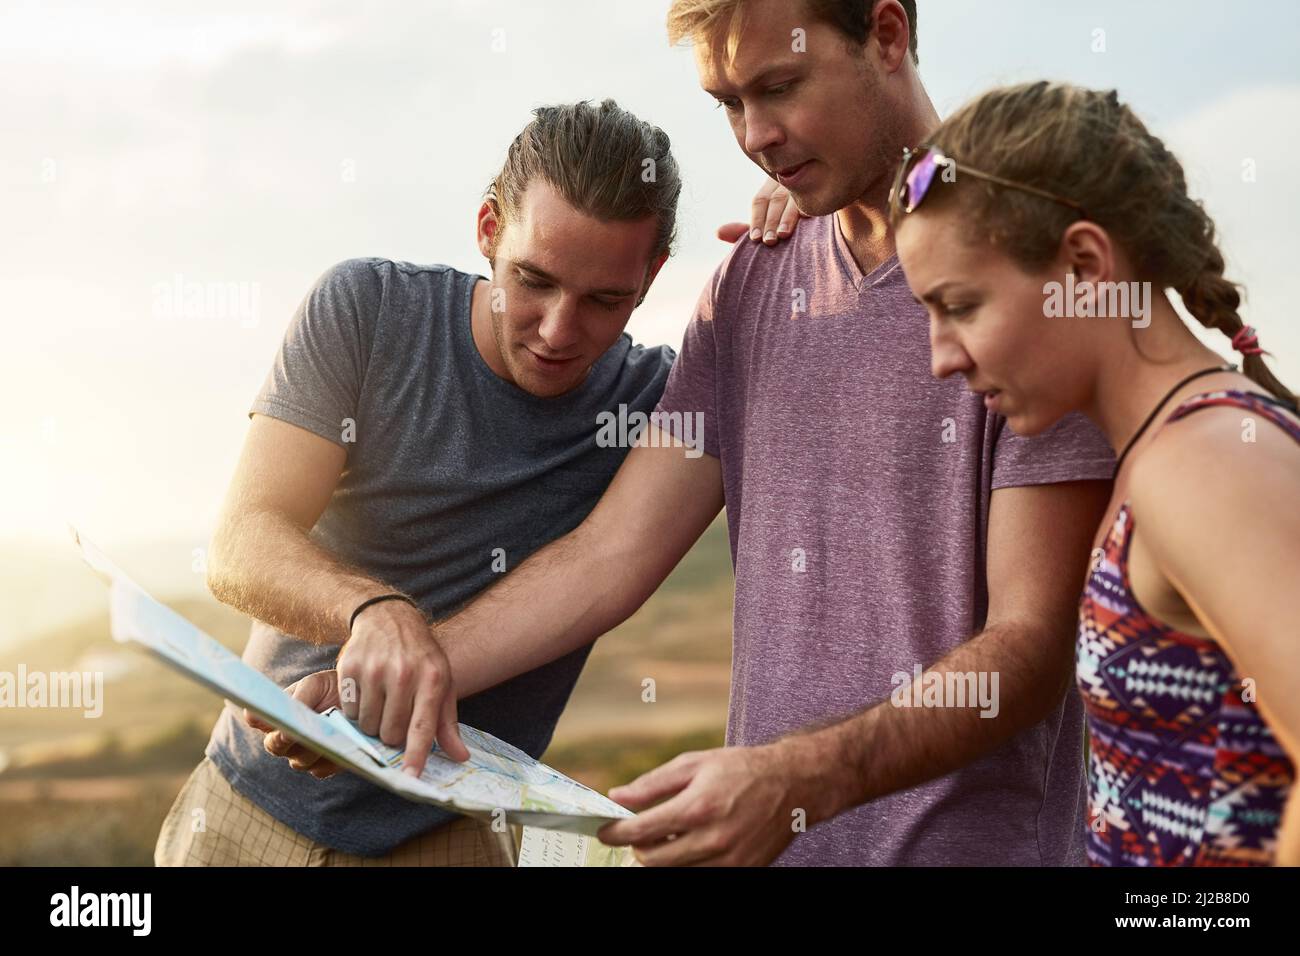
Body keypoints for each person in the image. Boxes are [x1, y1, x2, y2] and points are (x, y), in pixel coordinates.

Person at [266, 0, 1121, 867]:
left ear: (889, 36)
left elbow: (1035, 644)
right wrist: (374, 683)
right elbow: (608, 557)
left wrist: (796, 778)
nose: (756, 135)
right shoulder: (750, 281)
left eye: (779, 87)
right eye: (727, 102)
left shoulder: (1036, 279)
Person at [152, 99, 681, 866]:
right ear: (489, 229)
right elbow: (239, 544)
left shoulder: (654, 405)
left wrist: (798, 217)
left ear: (653, 273)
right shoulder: (366, 309)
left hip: (449, 841)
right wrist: (373, 609)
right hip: (241, 810)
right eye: (534, 281)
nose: (560, 331)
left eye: (605, 300)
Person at [888, 80, 1300, 866]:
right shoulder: (1167, 454)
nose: (942, 358)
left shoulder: (1204, 464)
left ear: (1083, 265)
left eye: (962, 306)